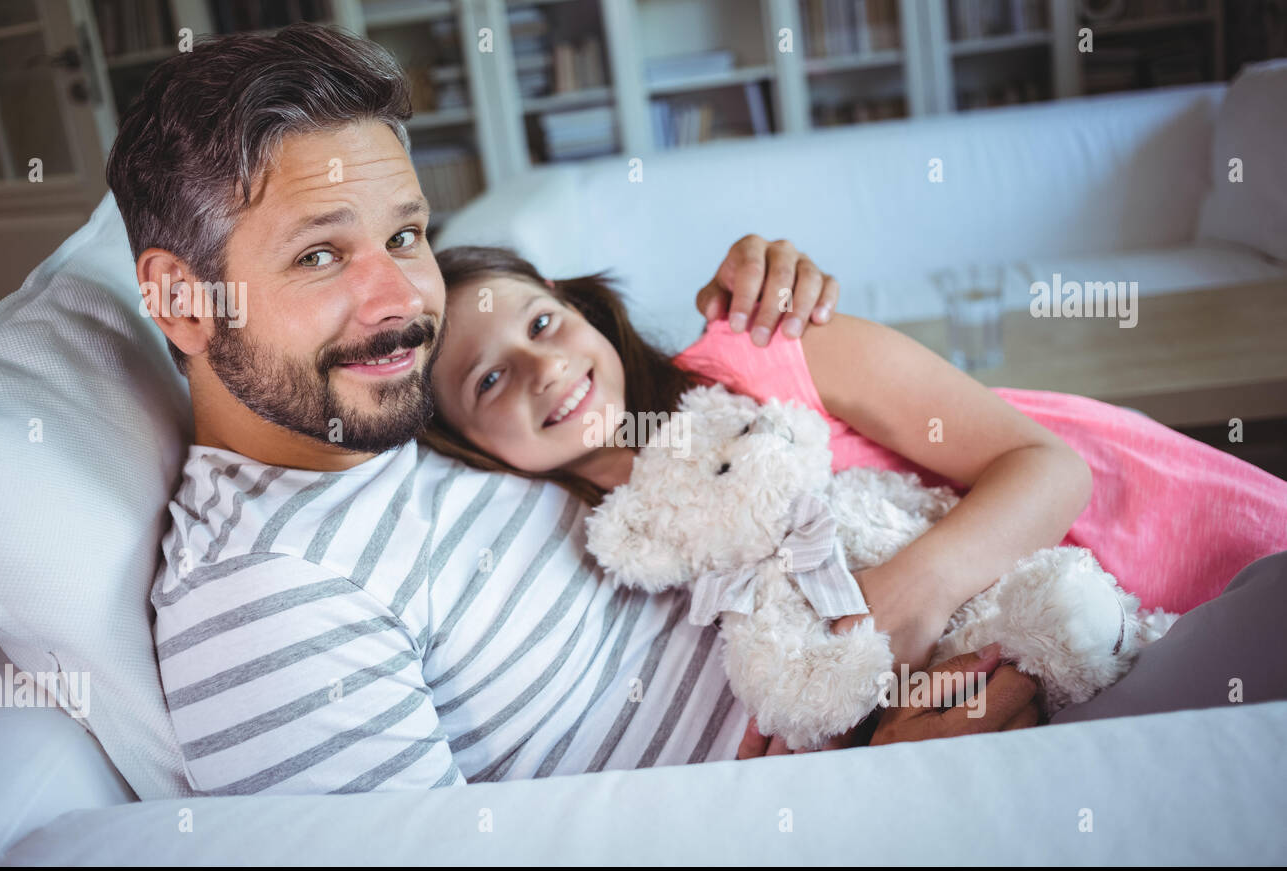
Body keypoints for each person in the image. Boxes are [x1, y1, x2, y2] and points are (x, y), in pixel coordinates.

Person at [117, 23, 1043, 795]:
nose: (400, 299)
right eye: (320, 256)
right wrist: (881, 787)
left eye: (405, 235)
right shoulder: (267, 599)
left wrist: (756, 321)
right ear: (184, 301)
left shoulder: (393, 421)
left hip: (959, 647)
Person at [421, 245, 1287, 755]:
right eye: (489, 377)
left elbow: (1049, 468)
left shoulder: (766, 353)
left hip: (1127, 564)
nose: (543, 368)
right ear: (469, 446)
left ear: (581, 309)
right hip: (1006, 713)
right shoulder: (610, 544)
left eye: (541, 323)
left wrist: (917, 588)